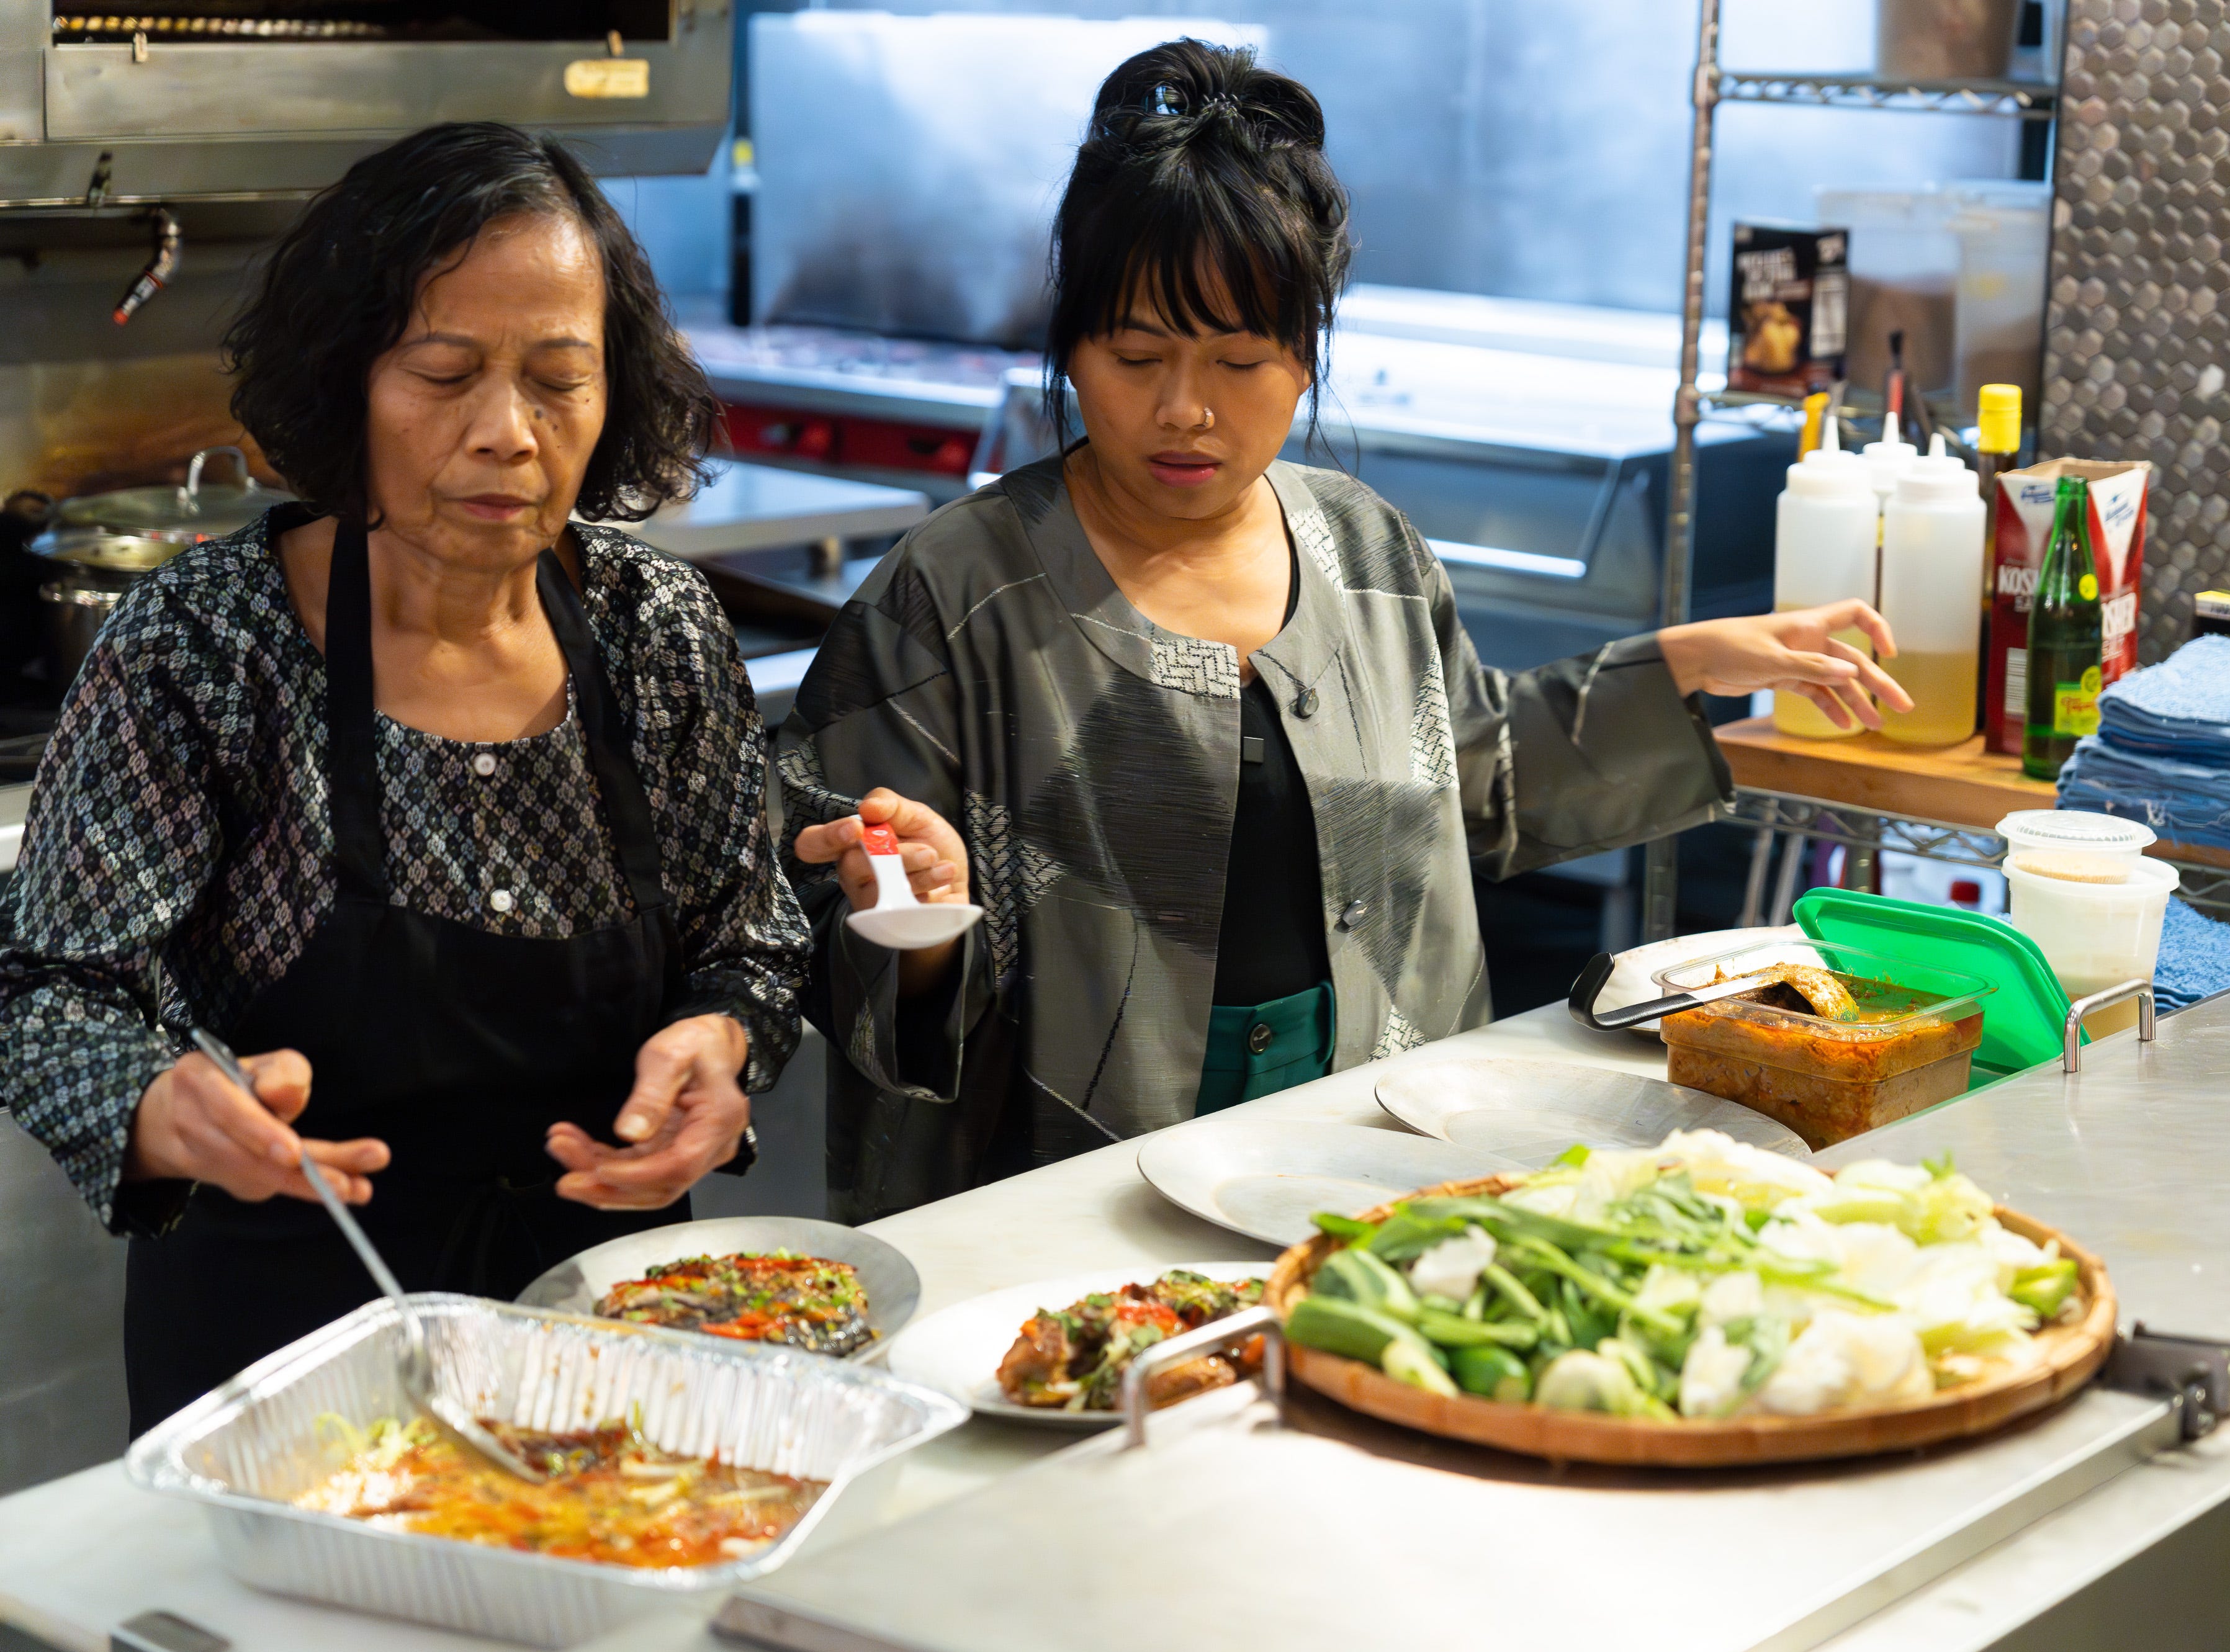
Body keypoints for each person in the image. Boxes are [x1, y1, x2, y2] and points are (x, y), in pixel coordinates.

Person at [783, 40, 1909, 1221]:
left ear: (1308, 358)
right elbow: (816, 918)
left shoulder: (1364, 551)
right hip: (1062, 1174)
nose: (1186, 408)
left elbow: (1474, 778)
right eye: (1136, 357)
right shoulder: (957, 594)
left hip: (1371, 1135)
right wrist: (913, 914)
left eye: (1239, 360)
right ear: (1070, 348)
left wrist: (1689, 662)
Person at [0, 122, 810, 1432]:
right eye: (443, 374)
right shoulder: (212, 646)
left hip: (612, 1339)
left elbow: (751, 939)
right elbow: (45, 985)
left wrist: (719, 1048)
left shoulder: (654, 627)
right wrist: (158, 1101)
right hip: (286, 1369)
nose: (505, 433)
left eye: (559, 380)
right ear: (346, 382)